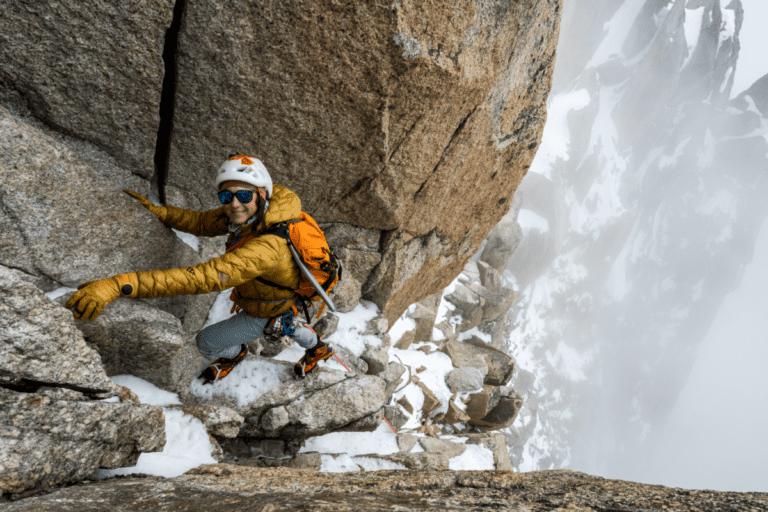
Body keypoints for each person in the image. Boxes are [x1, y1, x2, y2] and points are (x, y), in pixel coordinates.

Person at [66, 154, 334, 382]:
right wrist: (162, 214)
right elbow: (201, 222)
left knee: (206, 342)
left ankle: (237, 353)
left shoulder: (267, 247)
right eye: (226, 196)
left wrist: (118, 285)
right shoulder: (253, 213)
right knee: (286, 325)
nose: (234, 203)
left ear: (262, 194)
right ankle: (316, 347)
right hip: (273, 300)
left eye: (243, 194)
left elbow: (204, 278)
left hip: (269, 307)